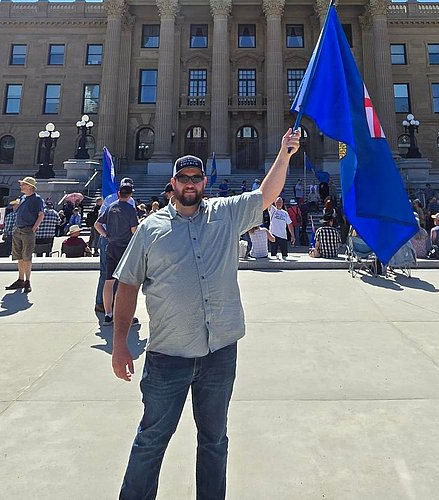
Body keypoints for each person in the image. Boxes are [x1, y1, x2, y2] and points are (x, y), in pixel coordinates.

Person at [110, 130, 300, 499]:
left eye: (196, 178)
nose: (190, 184)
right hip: (169, 356)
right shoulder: (150, 228)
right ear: (173, 183)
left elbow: (266, 195)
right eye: (184, 178)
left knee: (214, 441)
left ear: (204, 182)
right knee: (151, 441)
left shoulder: (225, 215)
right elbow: (127, 286)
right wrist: (120, 344)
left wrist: (284, 154)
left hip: (219, 353)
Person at [97, 182, 140, 324]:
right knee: (126, 283)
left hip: (111, 246)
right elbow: (134, 230)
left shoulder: (110, 207)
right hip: (125, 248)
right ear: (130, 194)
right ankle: (124, 314)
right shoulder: (130, 209)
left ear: (119, 193)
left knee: (108, 282)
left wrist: (106, 235)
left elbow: (97, 224)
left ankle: (108, 314)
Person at [7, 177, 42, 293]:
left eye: (23, 185)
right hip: (18, 229)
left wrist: (33, 228)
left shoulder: (36, 199)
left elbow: (41, 215)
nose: (21, 186)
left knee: (27, 256)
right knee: (19, 256)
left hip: (27, 230)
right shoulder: (22, 198)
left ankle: (27, 281)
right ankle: (20, 279)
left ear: (30, 187)